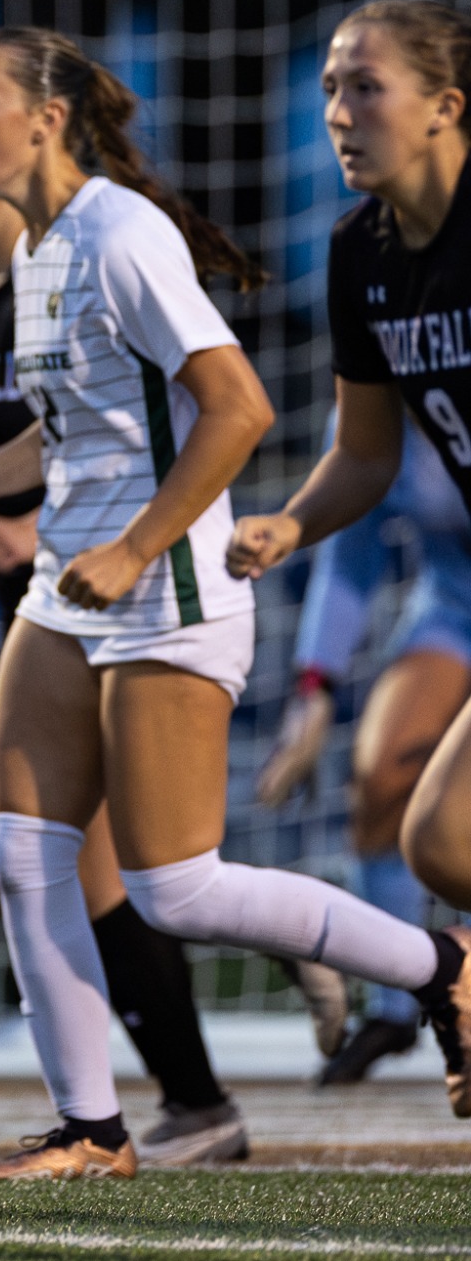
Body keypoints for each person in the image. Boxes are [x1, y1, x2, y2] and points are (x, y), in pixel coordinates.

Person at [0, 27, 471, 1182]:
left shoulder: (120, 232)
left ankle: (438, 969)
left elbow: (234, 408)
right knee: (20, 852)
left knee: (173, 886)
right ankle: (90, 1128)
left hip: (162, 582)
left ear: (47, 119)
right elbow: (84, 422)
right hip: (69, 584)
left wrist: (135, 548)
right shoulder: (36, 247)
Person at [0, 77, 248, 1166]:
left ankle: (191, 1094)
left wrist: (49, 532)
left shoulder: (95, 243)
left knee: (147, 879)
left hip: (119, 588)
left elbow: (185, 419)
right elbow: (50, 440)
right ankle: (113, 1120)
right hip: (48, 597)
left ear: (42, 122)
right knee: (18, 861)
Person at [230, 0, 471, 1109]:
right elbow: (365, 455)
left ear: (445, 106)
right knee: (434, 838)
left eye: (365, 87)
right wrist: (289, 524)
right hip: (456, 592)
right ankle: (419, 996)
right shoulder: (359, 252)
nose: (336, 111)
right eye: (329, 87)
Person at [257, 412, 471, 1083]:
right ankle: (400, 1004)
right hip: (454, 603)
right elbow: (352, 551)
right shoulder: (371, 400)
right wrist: (314, 687)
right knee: (381, 775)